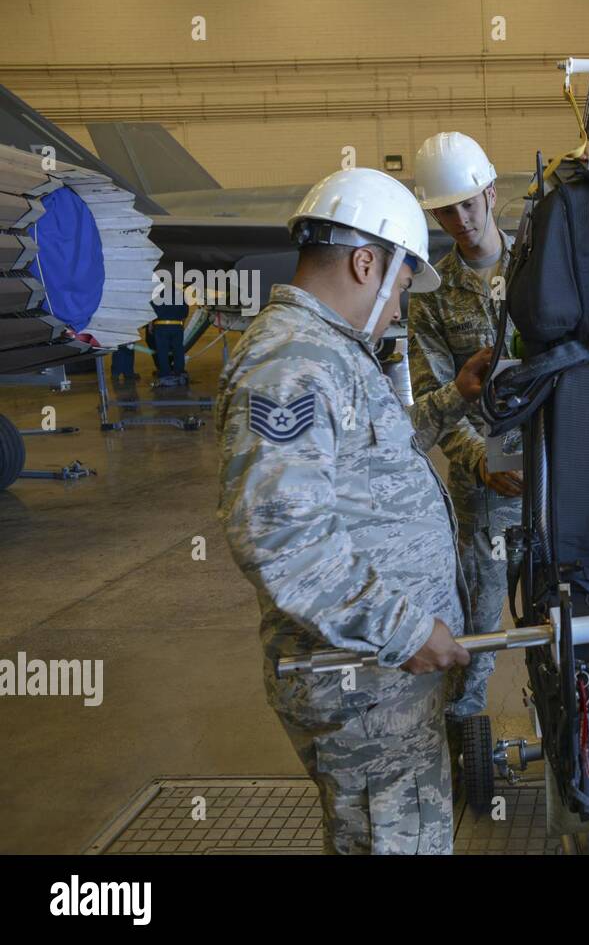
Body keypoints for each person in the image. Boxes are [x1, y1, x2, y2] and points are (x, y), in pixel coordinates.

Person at [216, 166, 493, 854]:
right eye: (401, 286)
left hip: (384, 676)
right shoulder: (291, 363)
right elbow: (281, 538)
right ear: (366, 262)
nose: (400, 306)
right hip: (364, 682)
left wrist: (454, 396)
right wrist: (404, 628)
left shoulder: (330, 351)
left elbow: (376, 451)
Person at [408, 132, 521, 742]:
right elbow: (434, 399)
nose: (459, 220)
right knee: (479, 619)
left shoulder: (538, 271)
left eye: (468, 204)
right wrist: (479, 463)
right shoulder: (430, 297)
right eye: (444, 210)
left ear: (490, 192)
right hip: (484, 490)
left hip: (555, 474)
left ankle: (574, 720)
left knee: (569, 610)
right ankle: (466, 732)